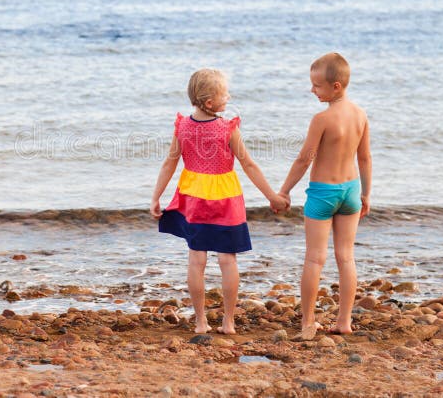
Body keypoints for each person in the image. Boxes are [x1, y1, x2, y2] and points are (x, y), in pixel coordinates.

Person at [151, 68, 288, 335]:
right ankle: (228, 321)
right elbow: (248, 163)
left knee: (196, 259)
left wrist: (156, 197)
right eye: (225, 94)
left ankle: (201, 321)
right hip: (225, 197)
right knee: (228, 259)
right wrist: (272, 196)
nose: (229, 97)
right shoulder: (227, 129)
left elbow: (170, 162)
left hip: (194, 197)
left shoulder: (183, 126)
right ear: (211, 102)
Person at [277, 53, 372, 339]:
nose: (312, 90)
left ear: (336, 86)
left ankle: (308, 322)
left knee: (314, 260)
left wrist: (284, 190)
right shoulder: (360, 114)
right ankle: (344, 321)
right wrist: (367, 193)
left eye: (317, 86)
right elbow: (365, 158)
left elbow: (304, 160)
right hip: (351, 190)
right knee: (346, 257)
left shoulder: (322, 119)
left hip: (322, 194)